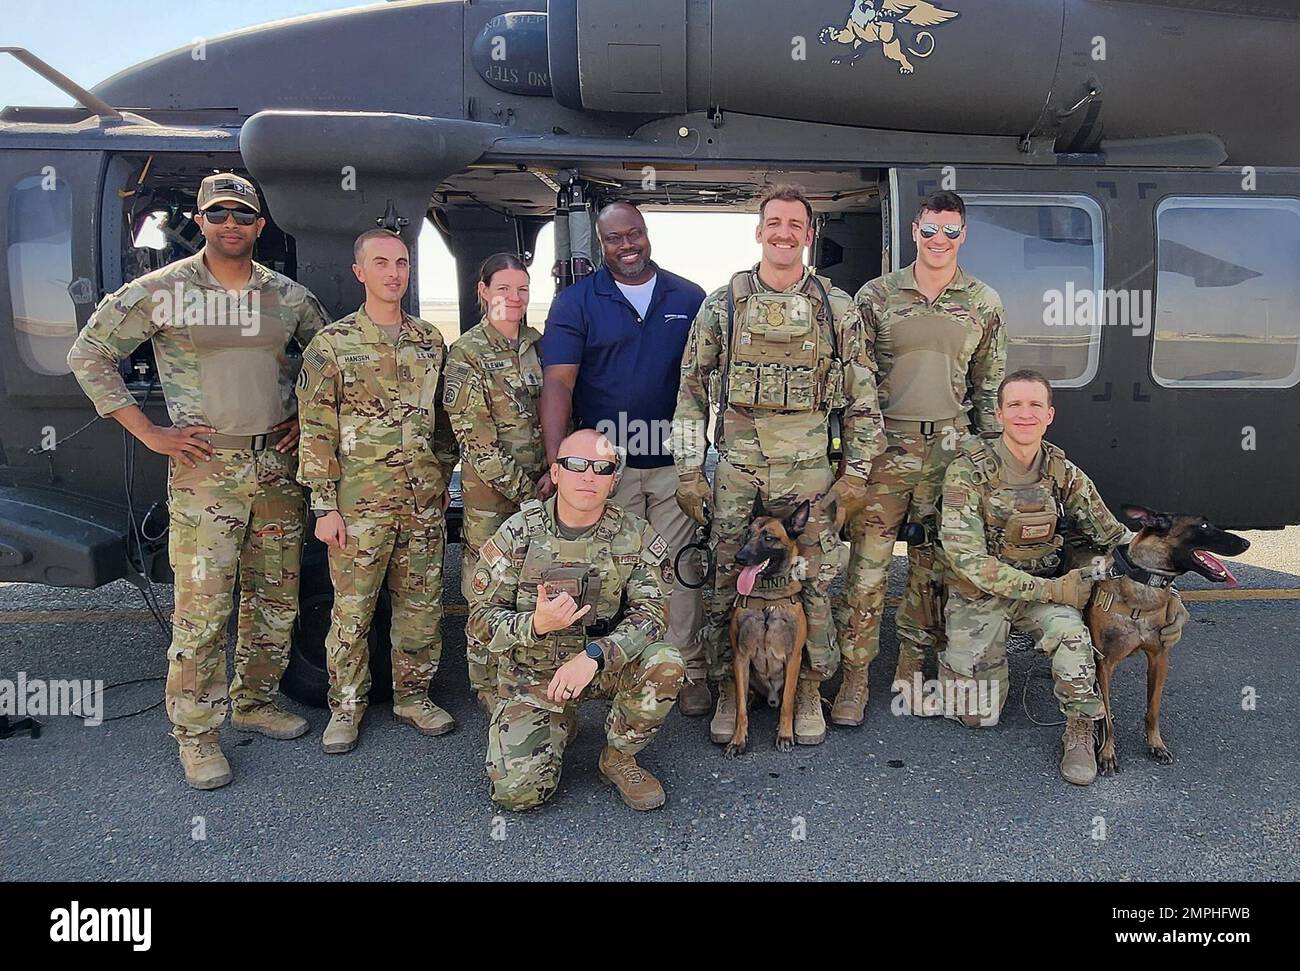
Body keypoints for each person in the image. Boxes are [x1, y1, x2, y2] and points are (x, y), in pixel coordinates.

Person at [67, 172, 328, 790]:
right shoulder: (163, 291)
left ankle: (256, 700)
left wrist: (305, 421)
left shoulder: (288, 297)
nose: (231, 225)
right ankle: (197, 733)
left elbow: (328, 364)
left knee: (274, 599)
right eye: (218, 216)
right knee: (203, 610)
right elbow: (89, 353)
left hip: (276, 470)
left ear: (261, 225)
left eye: (242, 215)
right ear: (202, 223)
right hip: (206, 471)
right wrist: (149, 433)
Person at [672, 183, 885, 747]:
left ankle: (810, 683)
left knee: (811, 579)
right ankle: (726, 685)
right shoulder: (724, 304)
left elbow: (863, 400)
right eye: (774, 222)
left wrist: (856, 474)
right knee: (726, 576)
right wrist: (691, 471)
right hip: (739, 465)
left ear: (809, 235)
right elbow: (692, 390)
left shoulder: (837, 310)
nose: (784, 232)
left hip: (809, 469)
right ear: (759, 231)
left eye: (795, 224)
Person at [836, 189, 1006, 725]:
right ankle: (856, 677)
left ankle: (912, 666)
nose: (939, 240)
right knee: (867, 569)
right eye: (930, 229)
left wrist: (992, 459)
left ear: (964, 235)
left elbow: (989, 386)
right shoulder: (876, 296)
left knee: (935, 567)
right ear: (914, 231)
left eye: (950, 231)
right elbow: (855, 381)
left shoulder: (983, 301)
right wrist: (855, 458)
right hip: (886, 449)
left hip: (951, 453)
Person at [538, 203, 711, 715]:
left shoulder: (688, 297)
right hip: (606, 468)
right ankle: (619, 672)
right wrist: (558, 462)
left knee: (681, 568)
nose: (626, 245)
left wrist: (697, 461)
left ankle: (690, 670)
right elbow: (558, 382)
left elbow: (705, 379)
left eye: (634, 234)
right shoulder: (577, 302)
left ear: (646, 234)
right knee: (617, 574)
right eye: (614, 238)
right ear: (601, 243)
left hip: (673, 461)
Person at [295, 229, 458, 754]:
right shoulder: (333, 345)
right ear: (359, 272)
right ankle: (345, 708)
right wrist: (323, 505)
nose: (394, 273)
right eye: (381, 263)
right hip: (357, 505)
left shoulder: (430, 341)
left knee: (421, 606)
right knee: (352, 611)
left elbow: (443, 423)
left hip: (420, 503)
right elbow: (315, 428)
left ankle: (414, 697)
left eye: (403, 263)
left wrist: (441, 474)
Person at [468, 429, 684, 811]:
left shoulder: (633, 535)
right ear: (555, 473)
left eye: (602, 469)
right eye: (577, 465)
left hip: (600, 667)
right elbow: (480, 621)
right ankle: (558, 721)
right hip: (534, 672)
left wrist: (595, 655)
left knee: (665, 662)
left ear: (613, 480)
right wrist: (534, 624)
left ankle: (618, 757)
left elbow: (651, 615)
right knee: (518, 795)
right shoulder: (518, 534)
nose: (589, 476)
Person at [939, 370, 1137, 785]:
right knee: (976, 714)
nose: (1024, 414)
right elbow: (967, 559)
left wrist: (1168, 556)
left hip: (1043, 594)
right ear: (998, 414)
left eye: (1034, 406)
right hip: (980, 596)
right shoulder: (968, 472)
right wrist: (1052, 588)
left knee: (1071, 634)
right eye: (1014, 405)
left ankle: (1081, 726)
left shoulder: (1062, 472)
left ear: (1049, 414)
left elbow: (1112, 534)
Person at [443, 254, 546, 713]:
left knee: (535, 580)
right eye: (504, 288)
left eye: (522, 289)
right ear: (483, 291)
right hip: (493, 497)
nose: (515, 298)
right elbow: (478, 445)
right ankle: (485, 680)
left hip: (543, 488)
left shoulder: (538, 344)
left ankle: (527, 669)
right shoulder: (467, 354)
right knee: (487, 584)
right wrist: (531, 493)